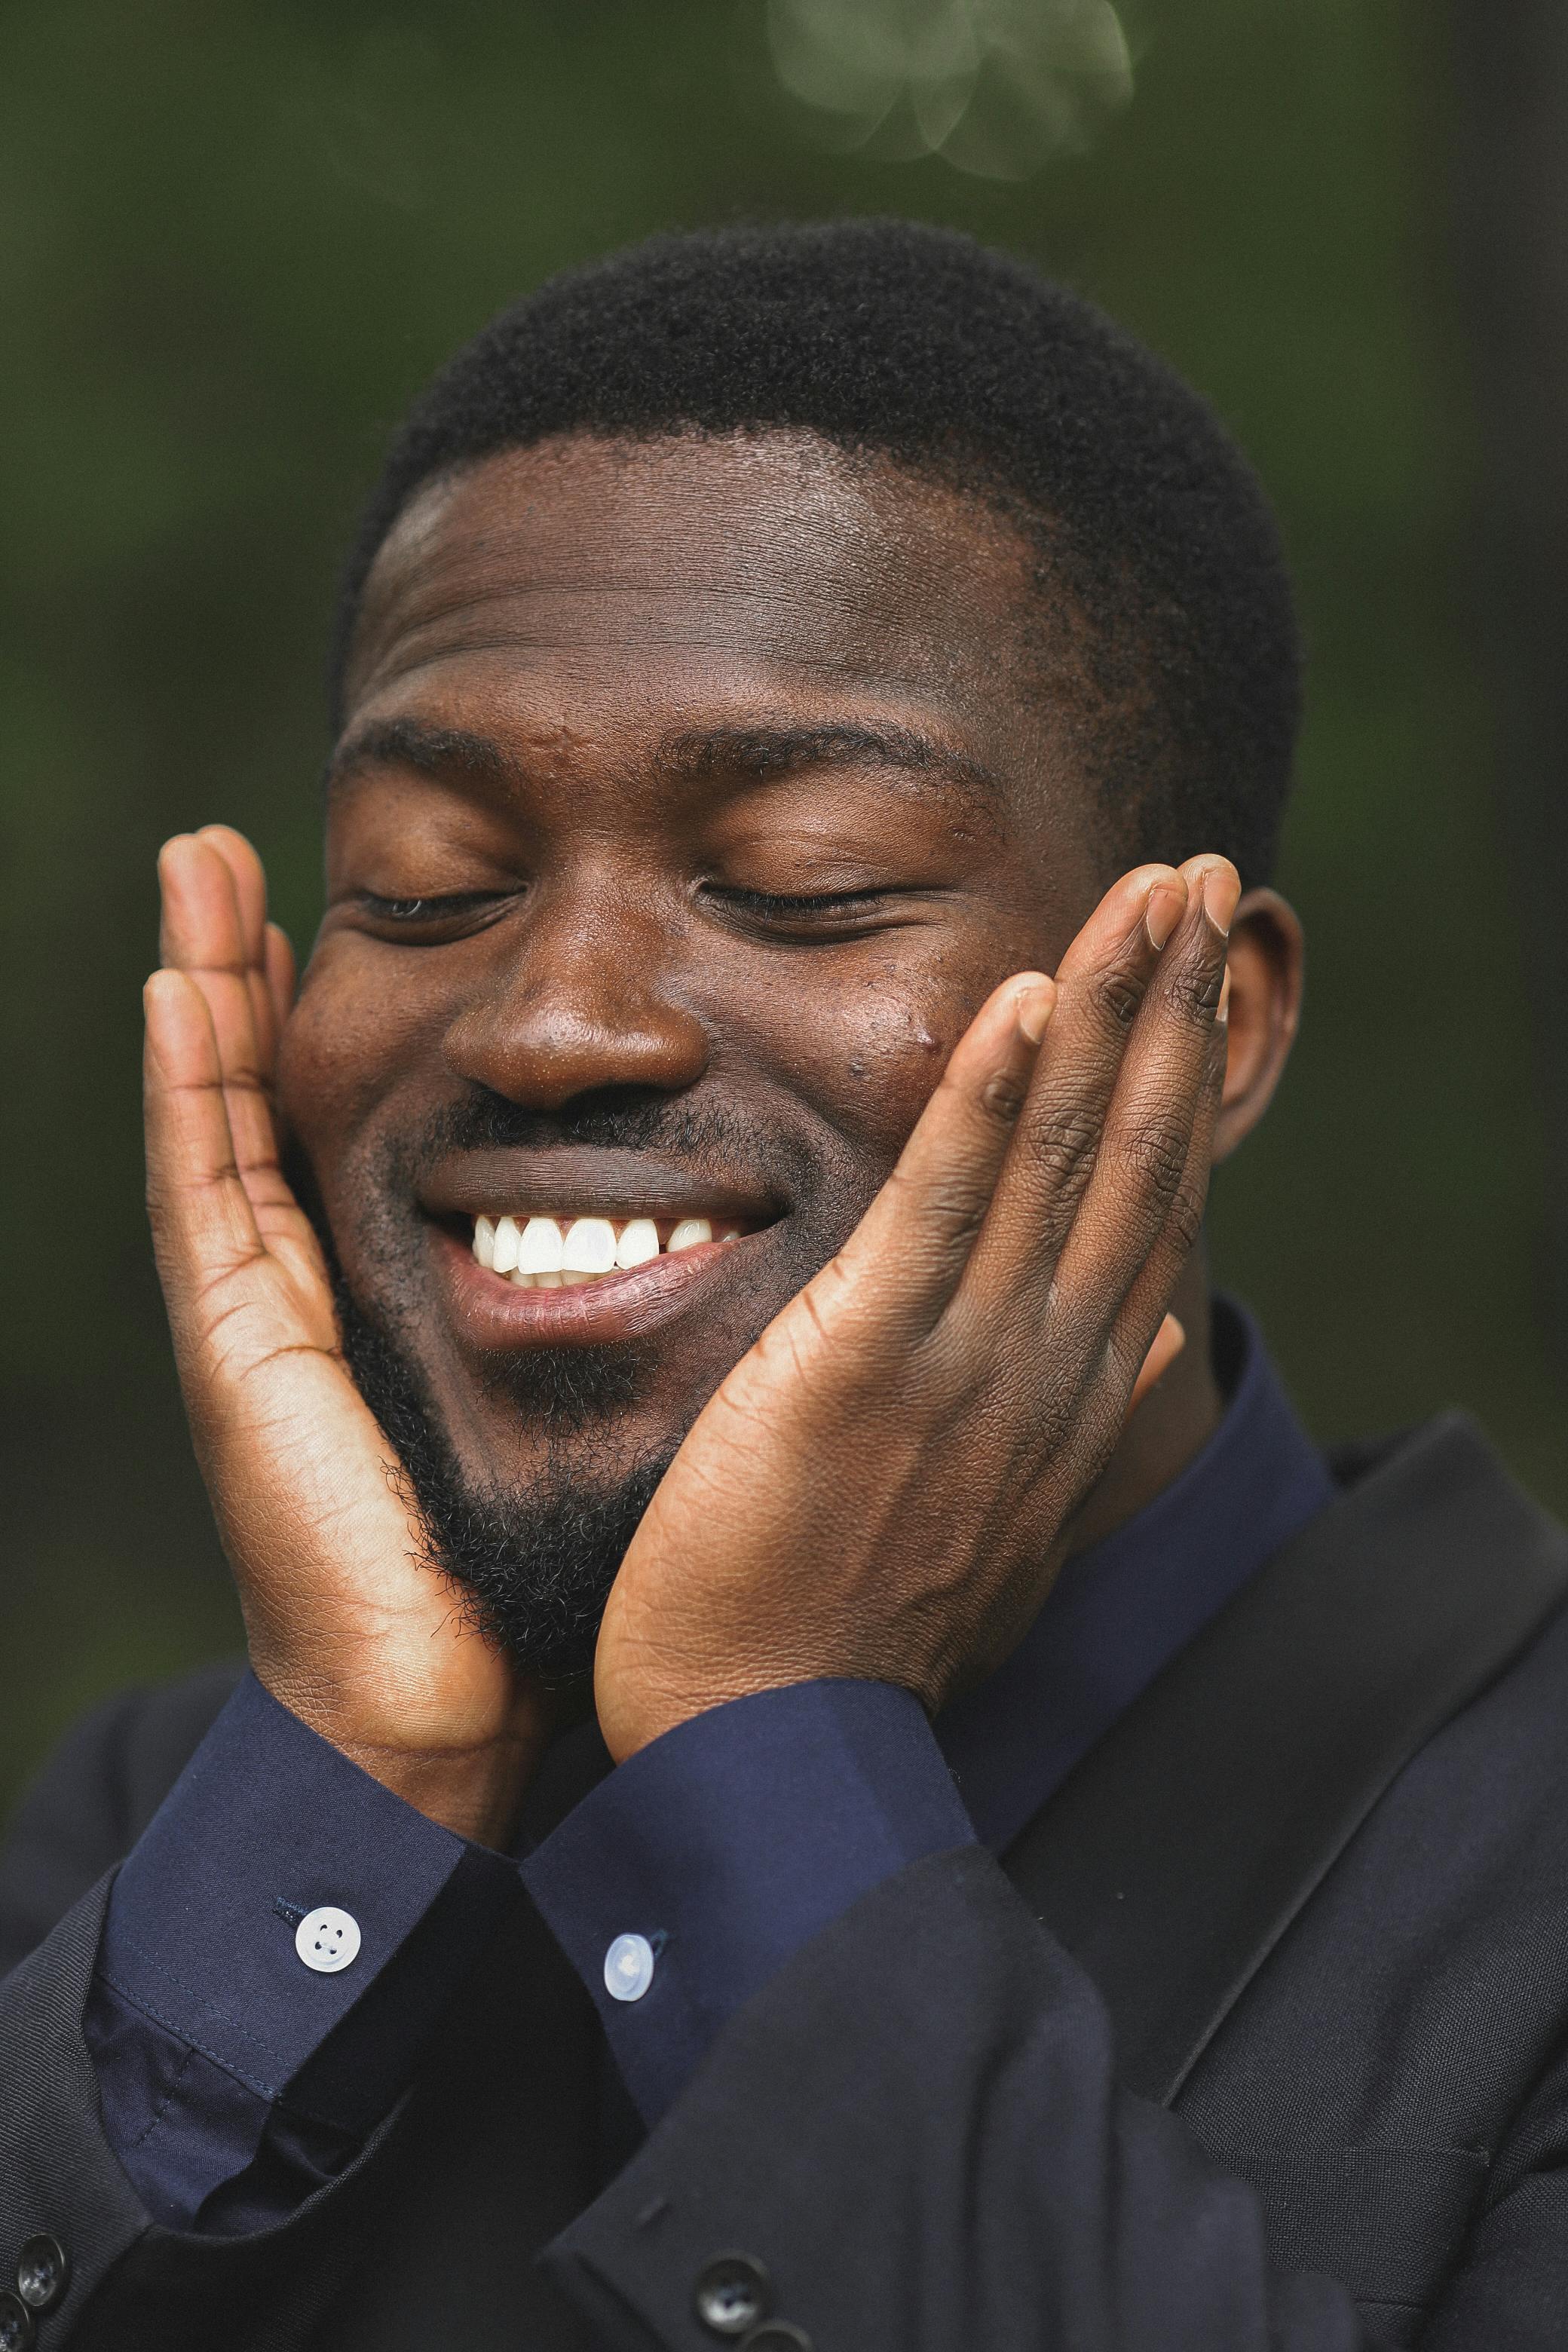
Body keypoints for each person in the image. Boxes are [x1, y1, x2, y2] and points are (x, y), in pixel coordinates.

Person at [1, 219, 1564, 2352]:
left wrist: (768, 1757)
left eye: (805, 884)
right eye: (424, 887)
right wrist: (337, 1790)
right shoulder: (153, 1839)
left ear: (1213, 1031)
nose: (555, 1023)